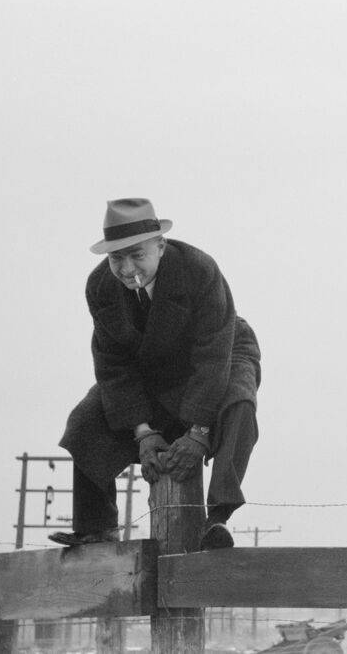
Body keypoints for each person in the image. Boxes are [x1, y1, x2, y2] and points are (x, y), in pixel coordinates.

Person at [49, 198, 261, 550]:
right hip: (152, 366)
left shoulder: (199, 270)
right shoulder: (100, 288)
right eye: (117, 258)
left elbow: (213, 357)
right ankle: (97, 527)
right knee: (85, 419)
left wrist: (198, 431)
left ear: (160, 246)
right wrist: (143, 432)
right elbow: (113, 365)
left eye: (137, 255)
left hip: (224, 350)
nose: (128, 268)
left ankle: (218, 518)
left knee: (238, 402)